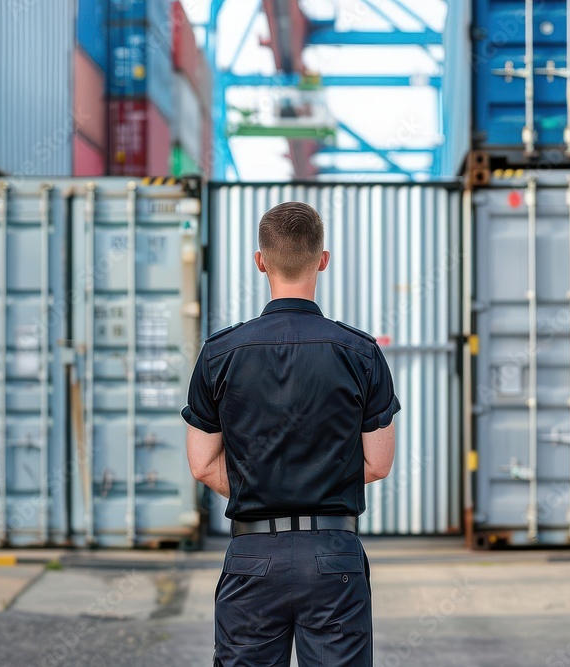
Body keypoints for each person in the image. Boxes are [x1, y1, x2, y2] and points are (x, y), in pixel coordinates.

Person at [181, 201, 399, 666]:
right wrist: (319, 483)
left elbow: (202, 463)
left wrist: (260, 485)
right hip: (333, 558)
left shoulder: (221, 353)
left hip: (252, 556)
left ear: (260, 261)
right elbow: (378, 462)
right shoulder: (360, 352)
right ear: (323, 258)